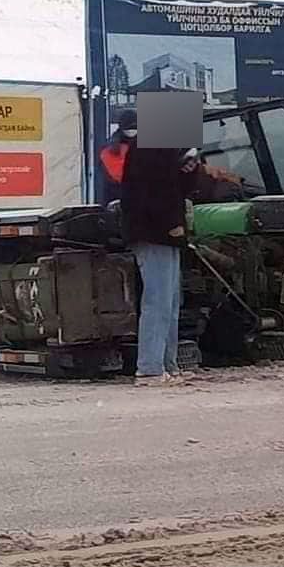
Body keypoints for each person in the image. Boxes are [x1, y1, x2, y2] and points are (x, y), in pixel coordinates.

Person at [120, 139, 199, 386]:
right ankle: (150, 368)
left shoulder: (160, 146)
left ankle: (167, 365)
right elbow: (157, 188)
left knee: (170, 301)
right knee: (158, 300)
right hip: (155, 232)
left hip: (161, 234)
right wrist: (172, 222)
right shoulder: (151, 145)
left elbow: (174, 185)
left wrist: (189, 170)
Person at [98, 109, 137, 204]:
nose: (132, 130)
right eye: (130, 127)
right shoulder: (110, 149)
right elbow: (119, 175)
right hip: (117, 200)